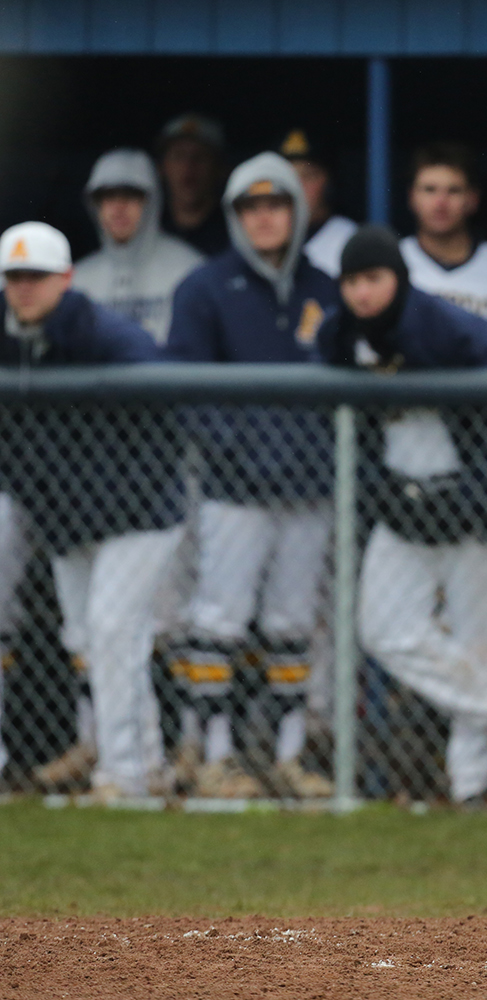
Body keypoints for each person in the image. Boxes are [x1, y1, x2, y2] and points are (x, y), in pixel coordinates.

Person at [317, 225, 487, 804]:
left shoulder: (449, 328)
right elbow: (347, 434)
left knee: (485, 644)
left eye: (374, 279)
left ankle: (473, 784)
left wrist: (474, 496)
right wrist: (383, 496)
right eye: (352, 281)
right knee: (382, 628)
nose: (363, 293)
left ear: (398, 279)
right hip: (404, 503)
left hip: (477, 507)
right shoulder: (338, 336)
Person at [166, 152, 340, 799]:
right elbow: (182, 387)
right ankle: (214, 755)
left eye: (277, 205)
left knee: (293, 624)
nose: (265, 217)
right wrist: (234, 445)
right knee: (219, 621)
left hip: (307, 488)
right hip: (231, 490)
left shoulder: (325, 286)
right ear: (235, 216)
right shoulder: (205, 286)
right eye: (250, 207)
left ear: (296, 211)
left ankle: (288, 758)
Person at [1, 222, 185, 800]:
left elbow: (170, 403)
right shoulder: (6, 336)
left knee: (111, 630)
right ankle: (148, 764)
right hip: (66, 517)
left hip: (137, 513)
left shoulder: (103, 332)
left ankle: (123, 775)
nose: (25, 289)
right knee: (91, 637)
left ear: (67, 278)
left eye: (38, 277)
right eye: (15, 277)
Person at [72, 148, 204, 344]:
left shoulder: (190, 270)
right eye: (108, 196)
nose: (118, 208)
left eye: (130, 195)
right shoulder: (76, 281)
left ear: (152, 201)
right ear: (95, 205)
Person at [400, 143, 487, 320]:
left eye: (453, 191)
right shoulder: (392, 262)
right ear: (412, 197)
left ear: (473, 199)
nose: (441, 203)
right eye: (430, 190)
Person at [279, 129, 357, 280]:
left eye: (308, 176)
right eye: (287, 177)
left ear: (329, 182)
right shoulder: (263, 239)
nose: (297, 186)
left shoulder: (350, 239)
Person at [156, 113, 230, 256]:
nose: (188, 166)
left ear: (219, 168)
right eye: (179, 156)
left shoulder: (236, 231)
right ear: (161, 168)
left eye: (200, 157)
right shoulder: (146, 229)